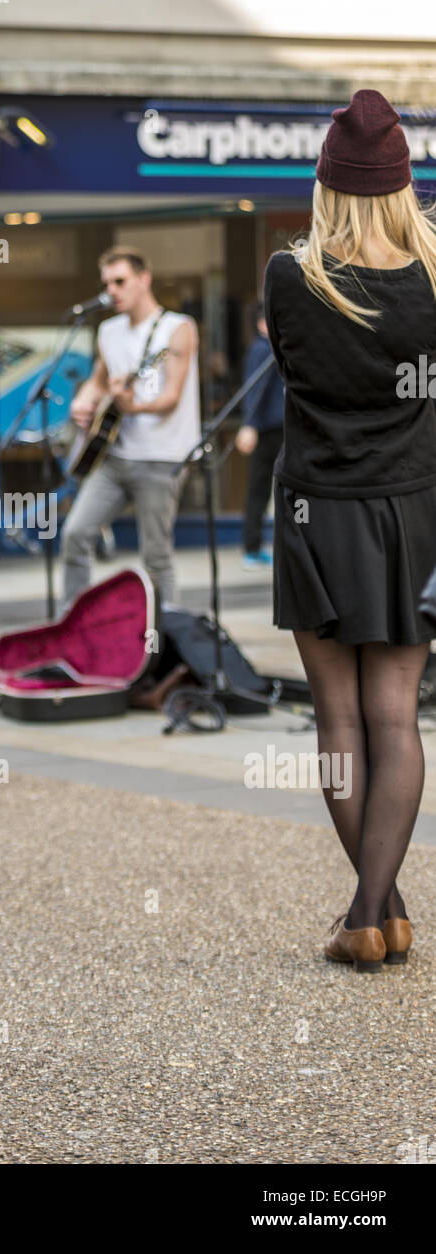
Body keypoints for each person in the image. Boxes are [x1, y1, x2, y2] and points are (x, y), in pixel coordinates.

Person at [265, 87, 436, 973]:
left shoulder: (292, 276)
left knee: (336, 722)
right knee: (393, 716)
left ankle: (368, 913)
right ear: (404, 185)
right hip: (412, 511)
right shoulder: (435, 276)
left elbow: (288, 368)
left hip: (313, 512)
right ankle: (381, 909)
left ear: (327, 185)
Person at [61, 246, 200, 608]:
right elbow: (99, 380)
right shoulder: (108, 330)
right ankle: (70, 624)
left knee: (155, 554)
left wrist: (133, 405)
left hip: (161, 457)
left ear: (144, 279)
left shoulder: (177, 328)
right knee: (75, 534)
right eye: (107, 283)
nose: (112, 291)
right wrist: (83, 400)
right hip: (114, 455)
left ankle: (167, 637)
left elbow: (171, 397)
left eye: (120, 281)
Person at [235, 299, 284, 568]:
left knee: (268, 489)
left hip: (276, 427)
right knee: (260, 489)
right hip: (267, 430)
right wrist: (249, 425)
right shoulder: (261, 350)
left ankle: (255, 547)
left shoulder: (272, 349)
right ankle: (251, 547)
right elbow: (255, 389)